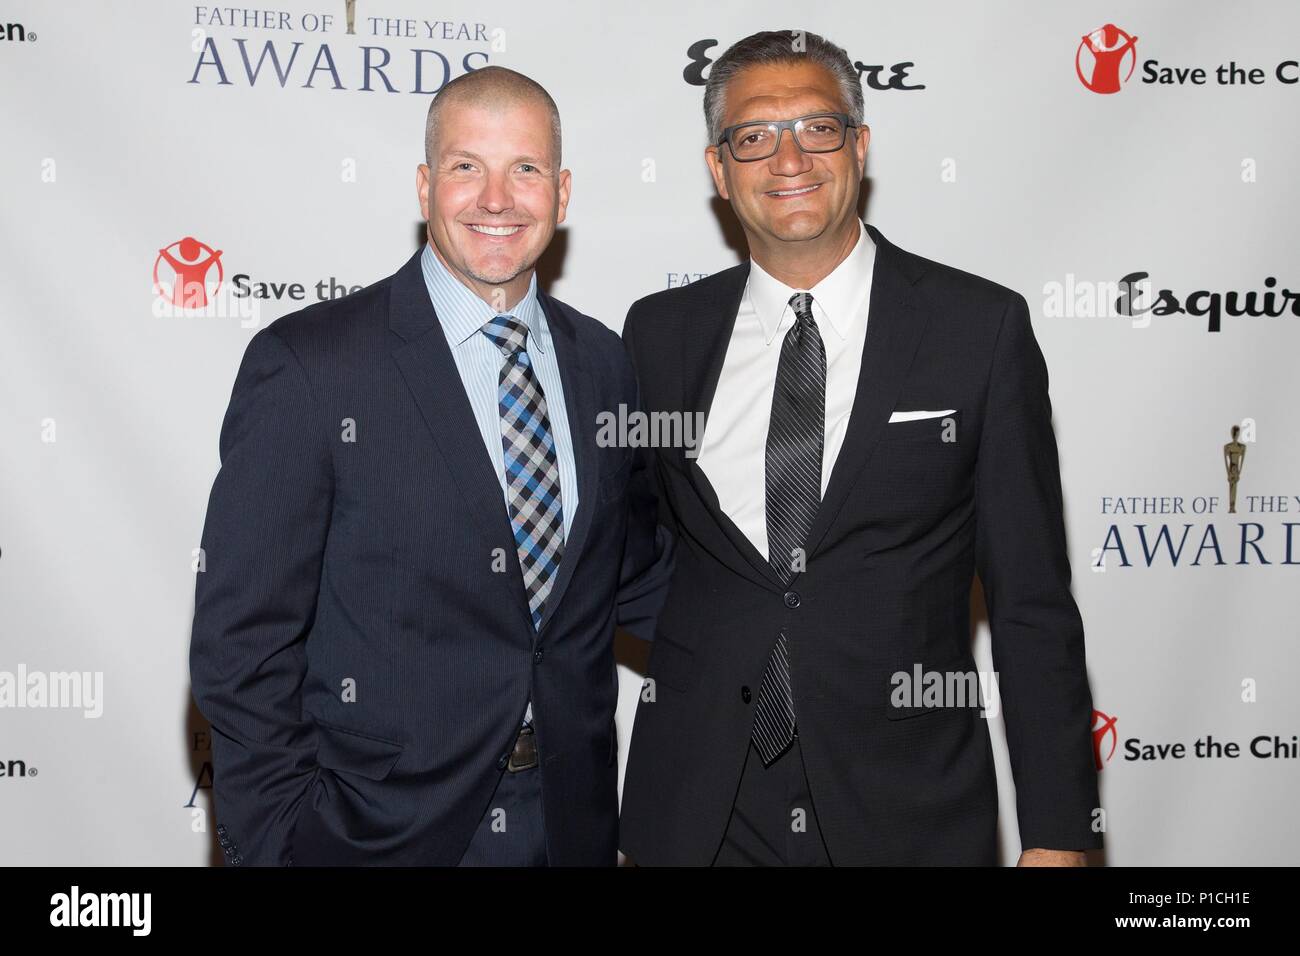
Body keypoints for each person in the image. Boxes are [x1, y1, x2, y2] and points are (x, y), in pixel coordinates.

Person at [618, 30, 1103, 866]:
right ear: (718, 167)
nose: (789, 158)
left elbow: (1031, 604)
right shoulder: (659, 333)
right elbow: (633, 550)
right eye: (754, 136)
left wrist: (1059, 837)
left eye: (818, 127)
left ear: (860, 145)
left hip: (907, 804)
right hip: (699, 806)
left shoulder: (977, 329)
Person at [190, 65, 670, 866]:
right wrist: (284, 840)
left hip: (570, 825)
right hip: (376, 834)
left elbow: (637, 572)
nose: (496, 198)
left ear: (563, 189)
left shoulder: (604, 365)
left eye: (525, 168)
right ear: (423, 186)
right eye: (465, 167)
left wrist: (807, 636)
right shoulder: (312, 367)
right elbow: (242, 641)